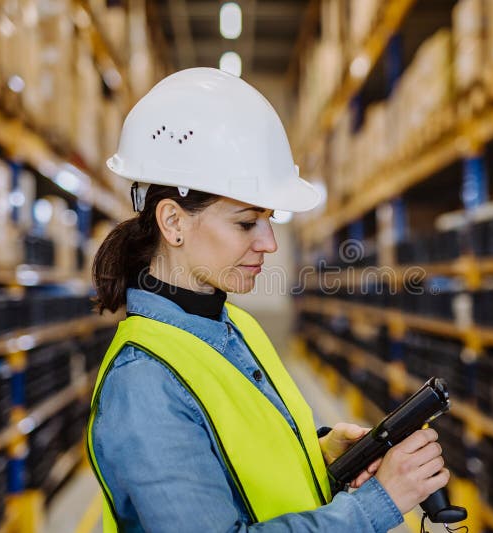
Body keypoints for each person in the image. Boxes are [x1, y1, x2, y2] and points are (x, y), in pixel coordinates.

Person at [87, 67, 451, 533]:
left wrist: (318, 453)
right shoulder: (144, 384)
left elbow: (237, 460)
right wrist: (377, 503)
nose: (269, 244)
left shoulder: (234, 326)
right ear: (173, 222)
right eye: (246, 223)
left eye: (269, 219)